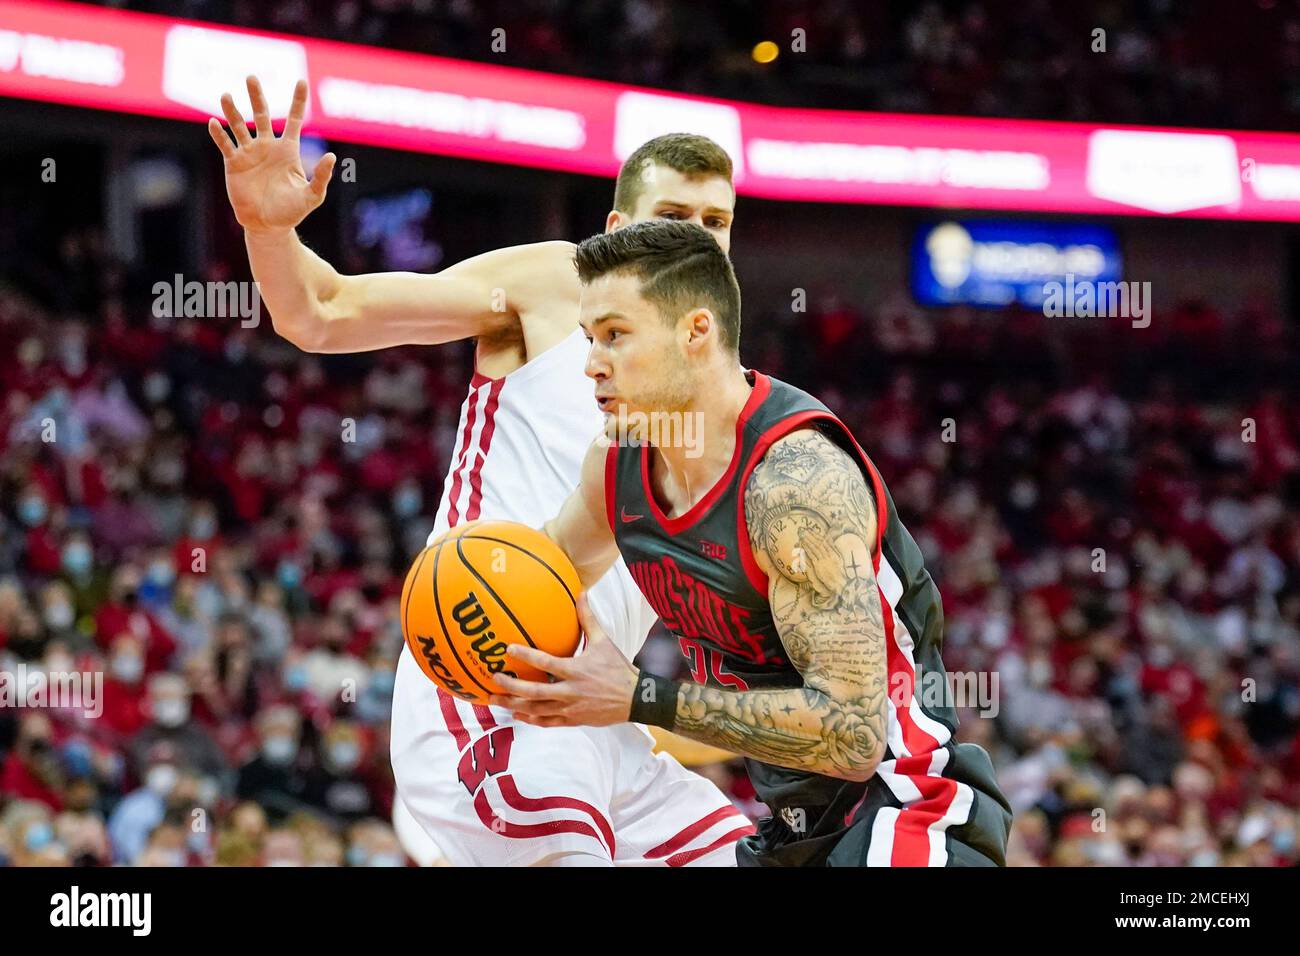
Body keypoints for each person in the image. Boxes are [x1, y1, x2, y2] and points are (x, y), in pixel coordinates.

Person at [210, 76, 751, 866]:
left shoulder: (722, 394)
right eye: (674, 218)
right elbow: (320, 313)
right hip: (486, 678)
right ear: (617, 227)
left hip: (599, 717)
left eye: (716, 223)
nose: (699, 239)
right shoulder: (554, 284)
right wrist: (267, 230)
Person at [492, 220, 1014, 866]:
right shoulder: (616, 464)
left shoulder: (794, 483)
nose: (592, 363)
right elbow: (533, 582)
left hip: (906, 811)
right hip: (792, 836)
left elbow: (852, 738)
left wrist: (636, 697)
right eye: (588, 339)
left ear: (697, 332)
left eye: (616, 336)